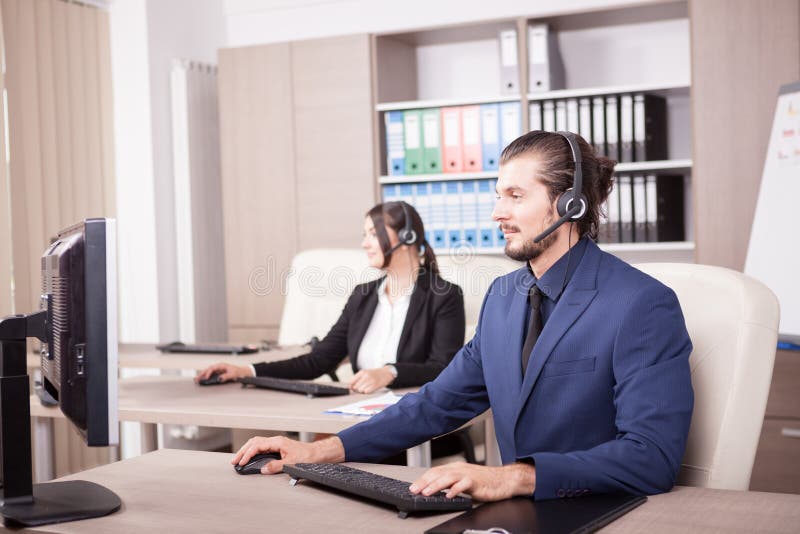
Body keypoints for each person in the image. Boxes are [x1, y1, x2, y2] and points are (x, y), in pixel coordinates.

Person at [232, 131, 694, 502]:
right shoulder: (504, 296)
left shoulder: (641, 304)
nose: (498, 213)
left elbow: (651, 458)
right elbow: (438, 403)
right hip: (515, 512)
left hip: (599, 511)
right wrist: (318, 450)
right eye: (498, 195)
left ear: (569, 204)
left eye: (515, 195)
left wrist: (512, 478)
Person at [196, 201, 465, 395]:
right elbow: (319, 360)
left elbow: (442, 368)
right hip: (362, 412)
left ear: (407, 237)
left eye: (374, 234)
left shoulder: (444, 297)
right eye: (365, 235)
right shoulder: (363, 296)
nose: (365, 244)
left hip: (417, 416)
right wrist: (245, 371)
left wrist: (390, 372)